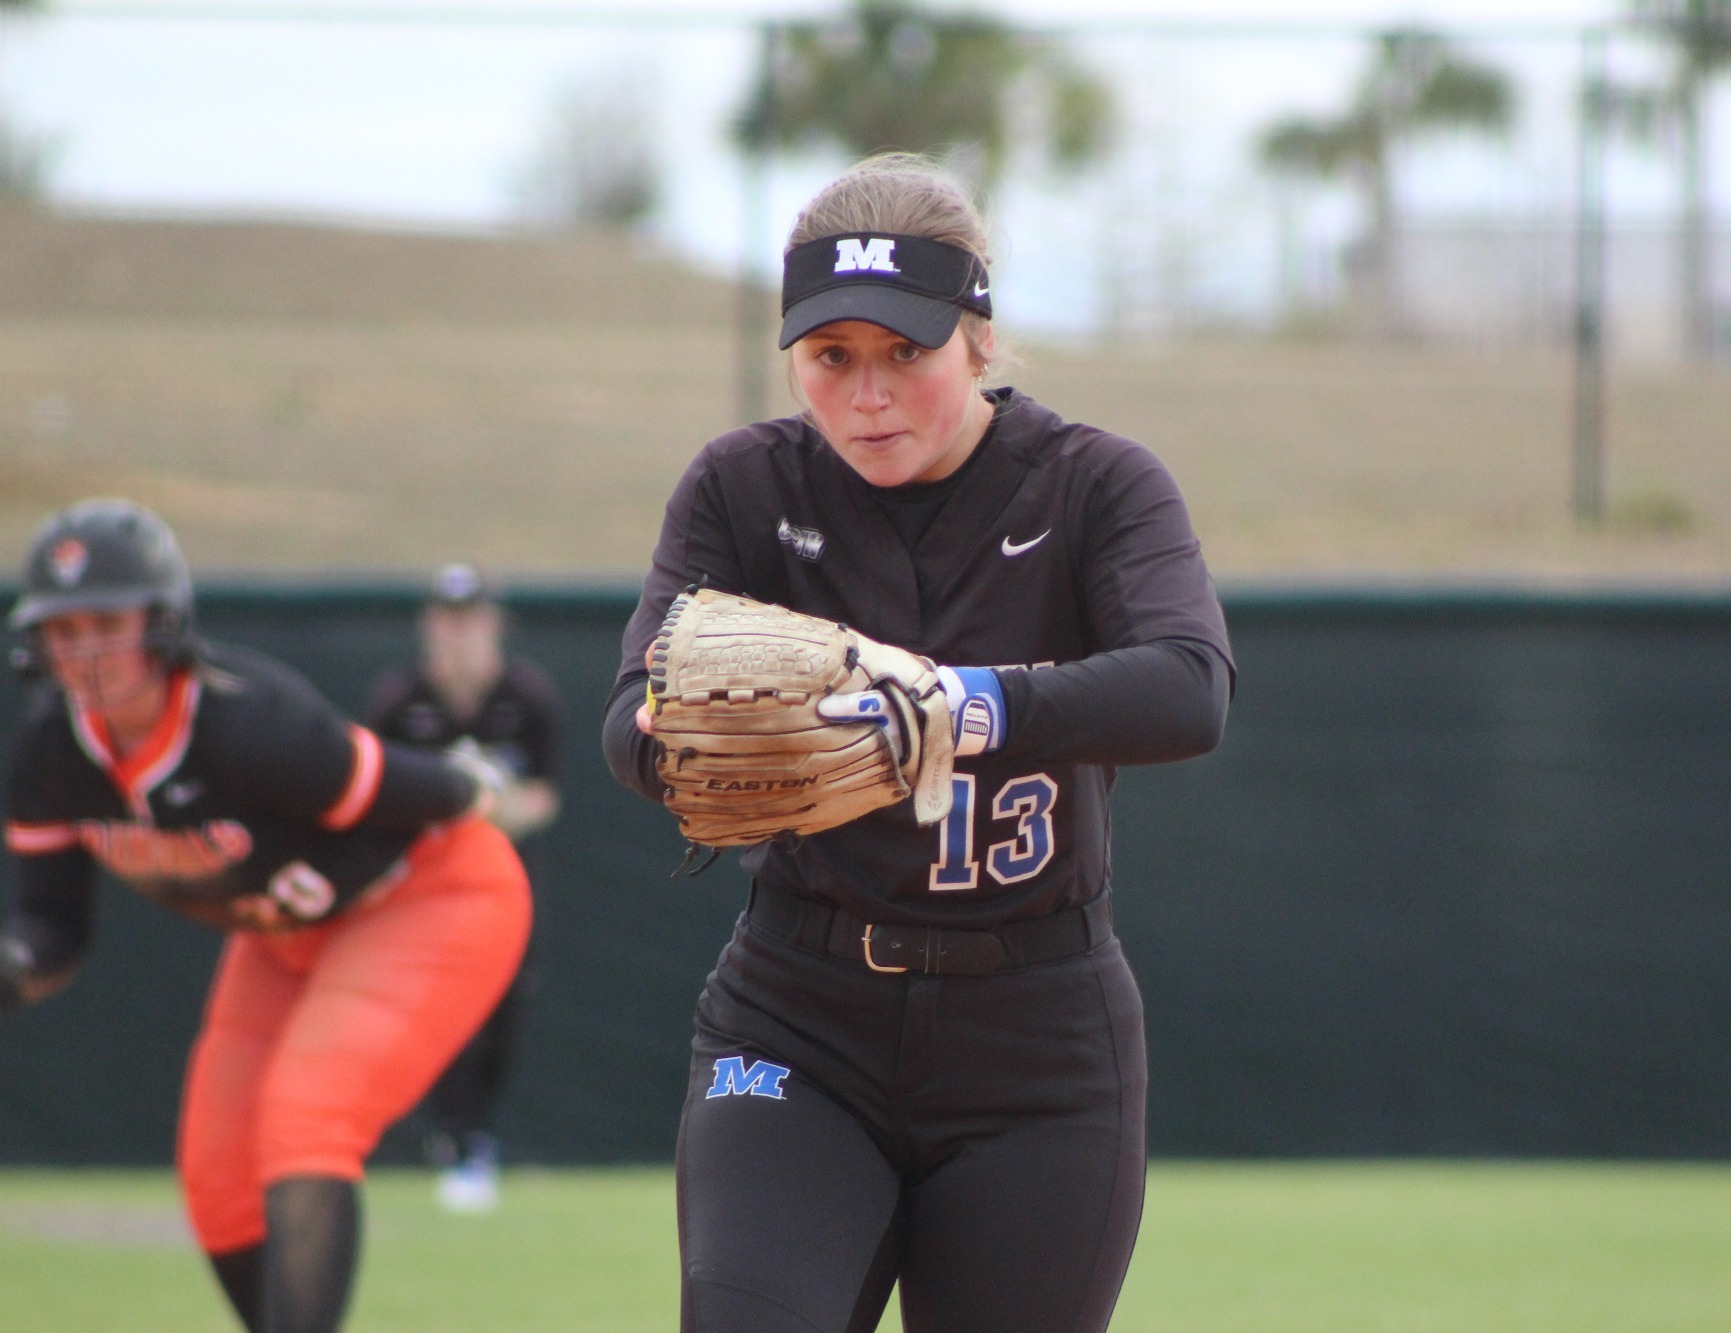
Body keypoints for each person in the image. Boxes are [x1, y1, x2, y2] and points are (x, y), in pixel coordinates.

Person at [602, 153, 1234, 1332]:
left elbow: (1188, 690)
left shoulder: (1094, 486)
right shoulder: (743, 488)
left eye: (907, 351)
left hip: (1039, 1044)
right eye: (830, 356)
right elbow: (631, 725)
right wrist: (683, 743)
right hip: (796, 1018)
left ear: (979, 338)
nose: (867, 392)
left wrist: (960, 705)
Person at [0, 500, 531, 1333]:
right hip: (287, 936)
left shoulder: (247, 721)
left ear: (164, 620)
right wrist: (15, 965)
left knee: (307, 1115)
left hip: (430, 895)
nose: (86, 650)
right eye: (64, 630)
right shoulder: (49, 755)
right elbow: (52, 922)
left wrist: (468, 784)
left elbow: (425, 793)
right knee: (216, 1177)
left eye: (107, 620)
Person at [366, 562, 561, 1213]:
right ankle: (457, 1141)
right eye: (447, 621)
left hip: (507, 885)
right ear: (430, 627)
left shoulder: (527, 697)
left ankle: (474, 1134)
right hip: (429, 890)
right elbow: (376, 792)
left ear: (493, 626)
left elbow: (544, 796)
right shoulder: (400, 702)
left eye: (471, 619)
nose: (458, 634)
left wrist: (491, 810)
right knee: (443, 1013)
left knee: (504, 1013)